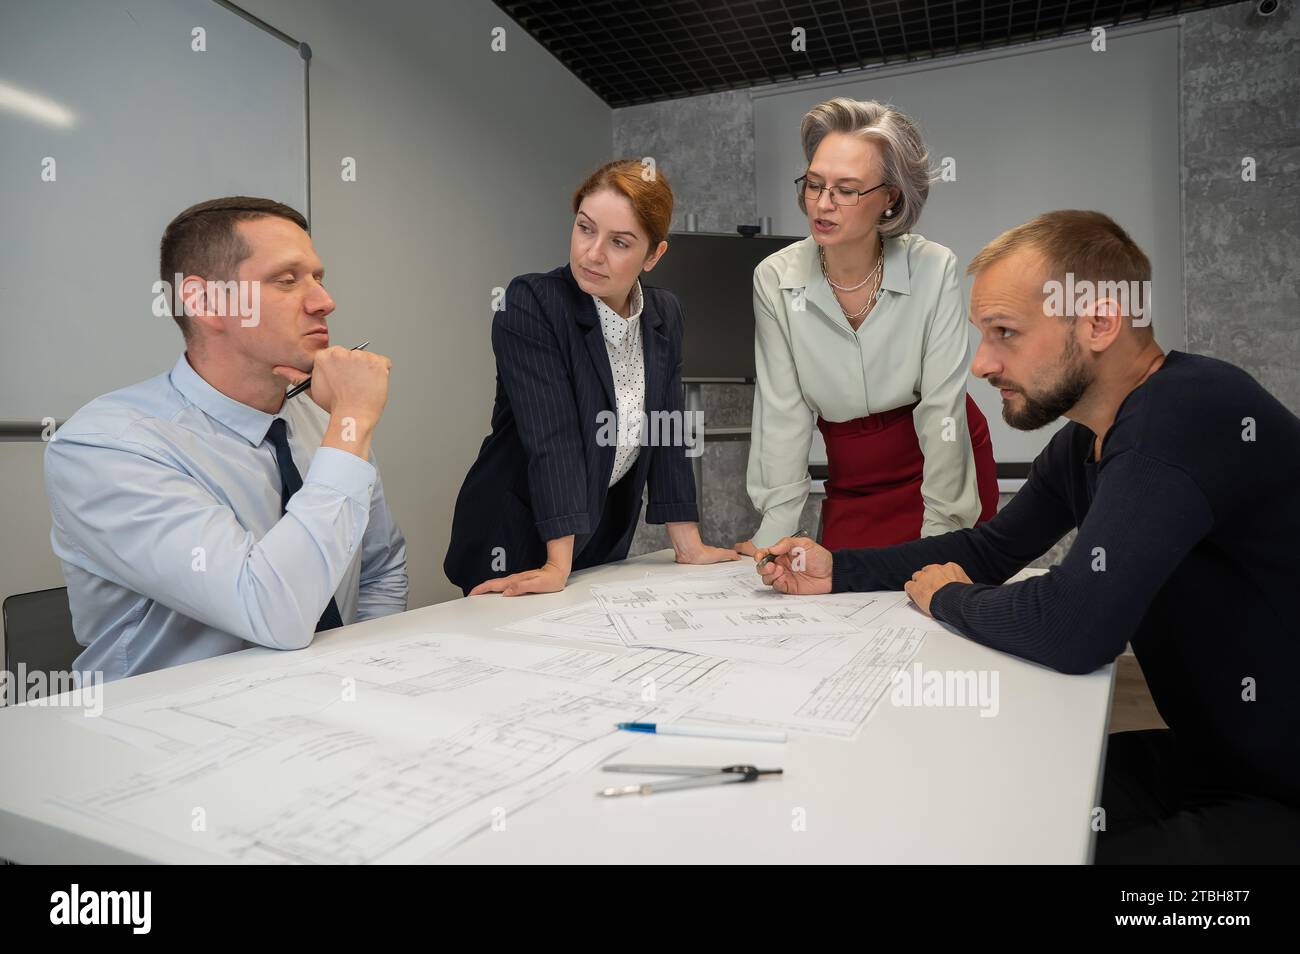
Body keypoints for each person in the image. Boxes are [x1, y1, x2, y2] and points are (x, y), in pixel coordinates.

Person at [753, 210, 1300, 863]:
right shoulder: (1088, 442)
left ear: (1100, 322)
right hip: (1213, 761)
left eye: (1005, 334)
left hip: (1279, 792)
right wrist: (836, 569)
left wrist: (949, 599)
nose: (982, 363)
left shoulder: (1188, 414)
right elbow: (988, 550)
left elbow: (1074, 627)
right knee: (984, 805)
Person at [45, 197, 408, 680]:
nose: (324, 300)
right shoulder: (106, 446)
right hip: (167, 734)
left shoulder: (324, 419)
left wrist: (356, 679)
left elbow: (380, 568)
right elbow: (272, 611)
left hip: (324, 718)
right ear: (204, 302)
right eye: (287, 279)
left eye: (318, 277)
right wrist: (354, 422)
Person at [444, 160, 738, 596]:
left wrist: (688, 544)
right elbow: (554, 436)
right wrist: (555, 565)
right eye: (585, 228)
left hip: (598, 537)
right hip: (515, 535)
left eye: (619, 242)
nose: (592, 253)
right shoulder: (531, 303)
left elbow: (667, 430)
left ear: (653, 255)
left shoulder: (664, 314)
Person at [738, 98, 998, 555]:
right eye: (814, 184)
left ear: (890, 197)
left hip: (939, 466)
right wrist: (775, 531)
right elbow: (783, 413)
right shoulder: (775, 279)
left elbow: (941, 412)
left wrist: (940, 535)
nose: (822, 204)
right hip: (853, 479)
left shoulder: (934, 268)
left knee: (940, 607)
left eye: (846, 190)